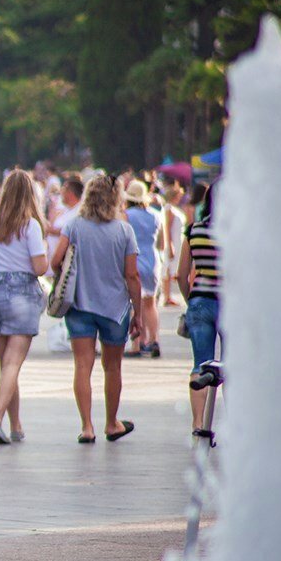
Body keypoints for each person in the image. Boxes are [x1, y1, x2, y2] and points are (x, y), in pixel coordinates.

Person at [50, 175, 143, 444]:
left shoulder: (74, 225)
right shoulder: (124, 230)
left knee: (82, 365)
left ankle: (87, 426)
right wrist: (138, 313)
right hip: (114, 309)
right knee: (112, 367)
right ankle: (112, 423)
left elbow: (56, 260)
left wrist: (67, 278)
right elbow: (132, 275)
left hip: (80, 305)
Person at [0, 170, 48, 444]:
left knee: (6, 366)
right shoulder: (30, 225)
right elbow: (40, 266)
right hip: (21, 291)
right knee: (13, 364)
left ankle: (16, 424)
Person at [177, 183, 220, 435]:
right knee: (231, 364)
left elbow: (181, 274)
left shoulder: (193, 230)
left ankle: (198, 423)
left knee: (200, 365)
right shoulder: (239, 232)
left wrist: (189, 299)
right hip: (230, 304)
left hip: (200, 300)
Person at [123, 180, 163, 358]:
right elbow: (161, 242)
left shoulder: (126, 215)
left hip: (135, 257)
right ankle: (154, 340)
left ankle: (137, 343)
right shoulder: (156, 215)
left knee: (134, 303)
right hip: (153, 258)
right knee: (150, 302)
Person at [46, 176, 83, 277]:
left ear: (70, 193)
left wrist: (52, 231)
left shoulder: (79, 211)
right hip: (53, 265)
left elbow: (71, 230)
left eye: (63, 189)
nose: (61, 192)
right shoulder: (66, 210)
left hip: (64, 266)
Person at [160, 177, 187, 306]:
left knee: (172, 268)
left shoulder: (174, 208)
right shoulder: (169, 209)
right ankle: (167, 295)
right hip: (172, 241)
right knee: (168, 267)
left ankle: (168, 295)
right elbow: (167, 228)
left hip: (177, 240)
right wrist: (169, 245)